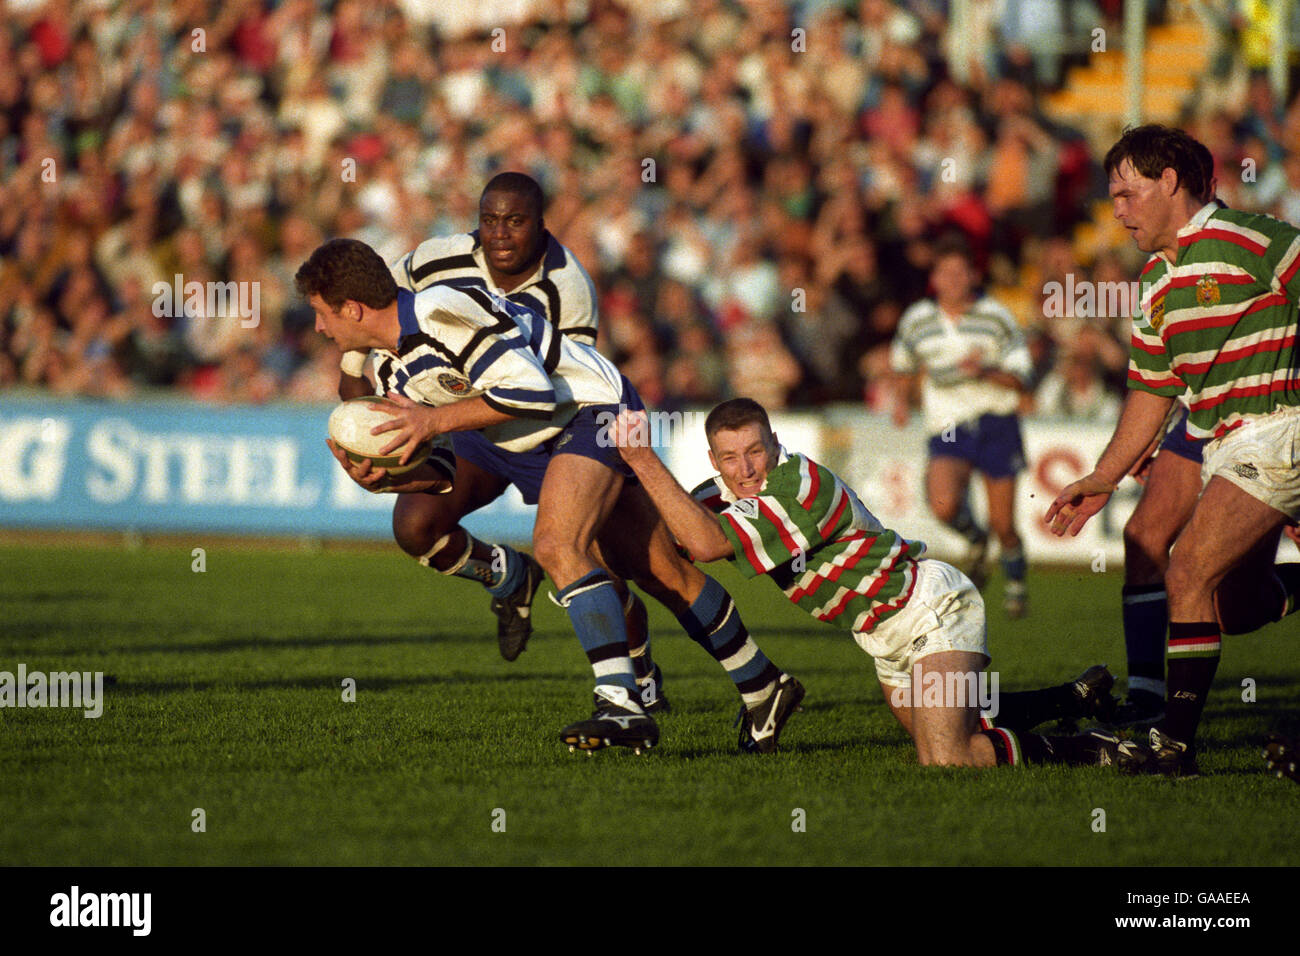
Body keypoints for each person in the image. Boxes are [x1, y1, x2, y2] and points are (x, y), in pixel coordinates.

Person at [296, 238, 802, 754]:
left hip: (594, 409)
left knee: (558, 547)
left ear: (352, 309)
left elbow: (533, 392)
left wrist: (430, 418)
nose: (318, 327)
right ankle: (764, 684)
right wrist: (387, 480)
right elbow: (446, 467)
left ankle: (621, 704)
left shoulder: (439, 310)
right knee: (659, 570)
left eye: (321, 313)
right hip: (538, 435)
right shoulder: (389, 365)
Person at [614, 397, 1120, 768]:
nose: (745, 468)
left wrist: (640, 459)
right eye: (730, 458)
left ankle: (1094, 749)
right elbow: (677, 532)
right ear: (714, 462)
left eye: (755, 451)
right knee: (957, 724)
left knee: (947, 757)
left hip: (927, 608)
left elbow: (703, 545)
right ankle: (1068, 699)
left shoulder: (800, 487)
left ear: (775, 443)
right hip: (881, 639)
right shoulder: (728, 492)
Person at [1047, 124, 1300, 776]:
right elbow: (1150, 392)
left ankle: (1172, 745)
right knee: (1231, 607)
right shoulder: (1156, 287)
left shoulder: (1253, 242)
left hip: (1277, 428)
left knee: (1185, 569)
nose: (1118, 210)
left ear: (1169, 181)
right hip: (1224, 445)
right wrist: (1102, 475)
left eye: (1127, 193)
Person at [889, 236, 1033, 617]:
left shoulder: (996, 316)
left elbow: (1021, 377)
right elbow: (902, 365)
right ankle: (974, 537)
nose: (952, 280)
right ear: (933, 277)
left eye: (959, 272)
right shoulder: (917, 319)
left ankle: (1016, 586)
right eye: (944, 272)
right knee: (943, 502)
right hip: (948, 425)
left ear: (973, 274)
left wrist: (985, 371)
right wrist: (901, 401)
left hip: (996, 421)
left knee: (1005, 522)